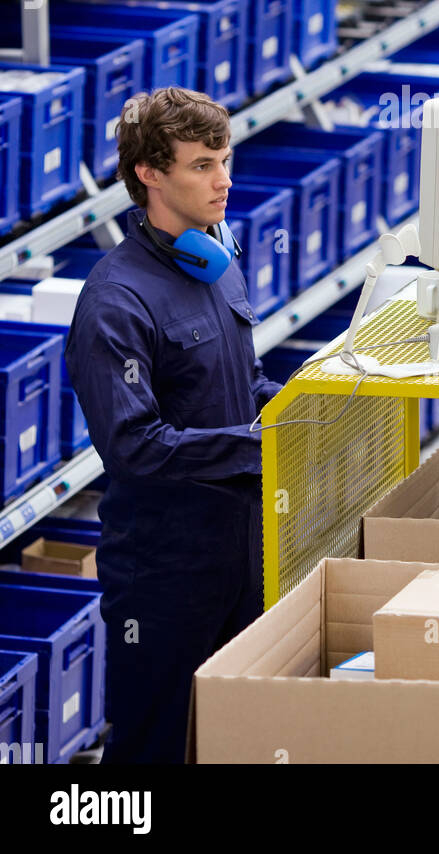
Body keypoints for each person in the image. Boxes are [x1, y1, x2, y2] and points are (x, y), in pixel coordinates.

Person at [65, 87, 284, 764]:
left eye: (225, 160)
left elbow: (240, 385)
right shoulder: (116, 302)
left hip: (243, 552)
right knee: (156, 748)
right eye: (201, 166)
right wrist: (260, 447)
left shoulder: (214, 262)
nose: (223, 181)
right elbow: (134, 447)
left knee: (240, 735)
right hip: (165, 575)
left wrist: (307, 405)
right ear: (149, 175)